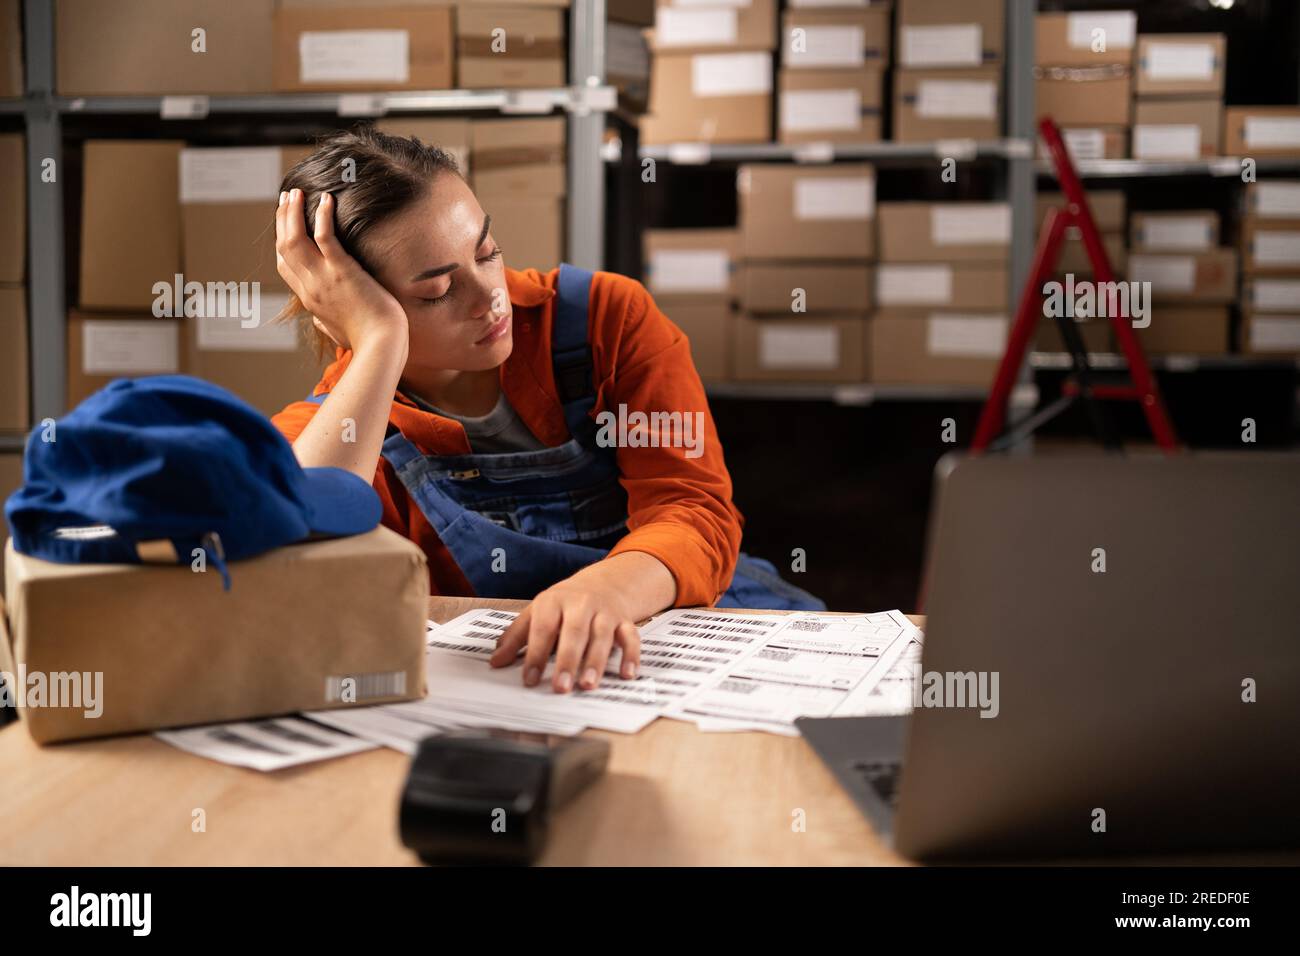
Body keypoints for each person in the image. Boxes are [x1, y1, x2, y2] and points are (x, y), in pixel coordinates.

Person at [270, 127, 823, 695]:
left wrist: (605, 591)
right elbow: (296, 559)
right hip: (522, 679)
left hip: (676, 623)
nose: (490, 297)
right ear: (346, 305)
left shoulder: (607, 320)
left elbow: (695, 510)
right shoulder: (340, 429)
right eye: (436, 291)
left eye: (486, 252)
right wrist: (380, 343)